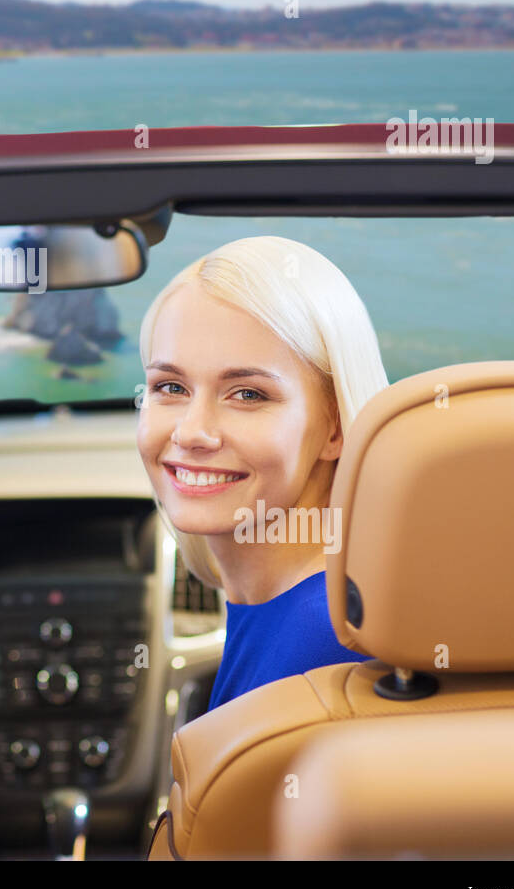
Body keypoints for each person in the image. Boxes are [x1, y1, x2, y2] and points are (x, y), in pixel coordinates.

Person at [136, 236, 388, 711]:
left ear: (334, 426)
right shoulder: (313, 608)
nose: (193, 432)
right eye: (170, 387)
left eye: (248, 394)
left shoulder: (331, 645)